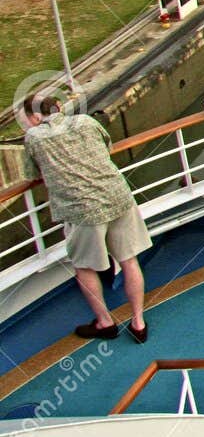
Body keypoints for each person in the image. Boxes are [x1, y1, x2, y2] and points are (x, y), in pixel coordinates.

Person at [20, 94, 151, 342]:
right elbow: (107, 147)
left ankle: (105, 322)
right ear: (59, 107)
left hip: (82, 210)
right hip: (117, 196)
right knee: (129, 260)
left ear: (35, 117)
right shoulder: (86, 121)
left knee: (84, 268)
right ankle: (138, 323)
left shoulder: (34, 137)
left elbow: (32, 173)